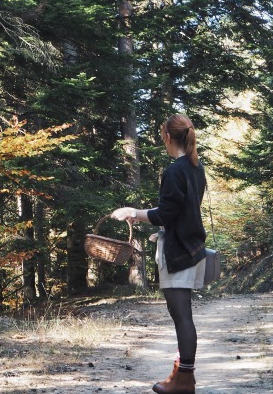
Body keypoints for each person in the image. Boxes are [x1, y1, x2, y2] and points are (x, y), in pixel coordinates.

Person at [111, 114, 207, 394]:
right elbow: (179, 211)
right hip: (191, 246)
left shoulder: (176, 170)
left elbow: (166, 214)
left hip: (178, 251)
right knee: (181, 315)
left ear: (167, 136)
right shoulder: (195, 168)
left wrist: (133, 213)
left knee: (182, 316)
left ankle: (184, 382)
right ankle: (180, 376)